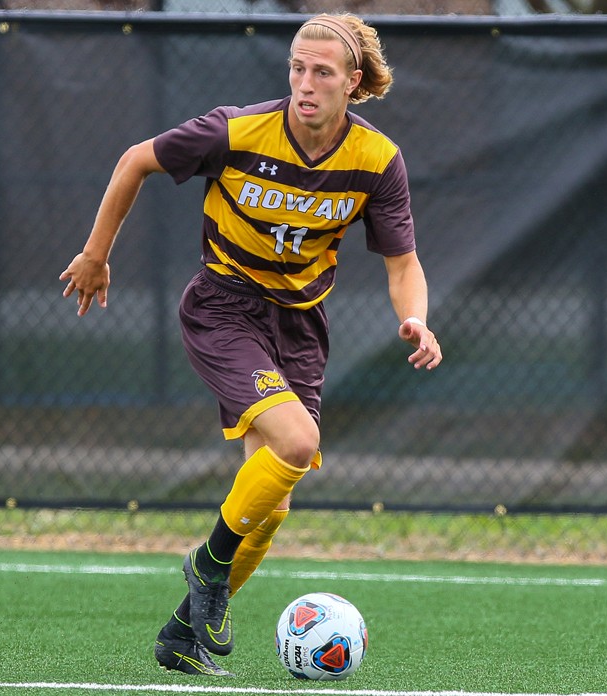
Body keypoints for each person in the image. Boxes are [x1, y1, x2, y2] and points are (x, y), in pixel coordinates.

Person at [60, 12, 443, 678]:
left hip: (300, 326)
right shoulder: (236, 130)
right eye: (297, 67)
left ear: (352, 83)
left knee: (273, 500)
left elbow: (403, 263)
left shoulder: (377, 160)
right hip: (224, 310)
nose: (305, 83)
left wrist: (416, 318)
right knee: (298, 444)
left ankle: (183, 632)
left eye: (322, 72)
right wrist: (96, 255)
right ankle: (207, 565)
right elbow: (136, 161)